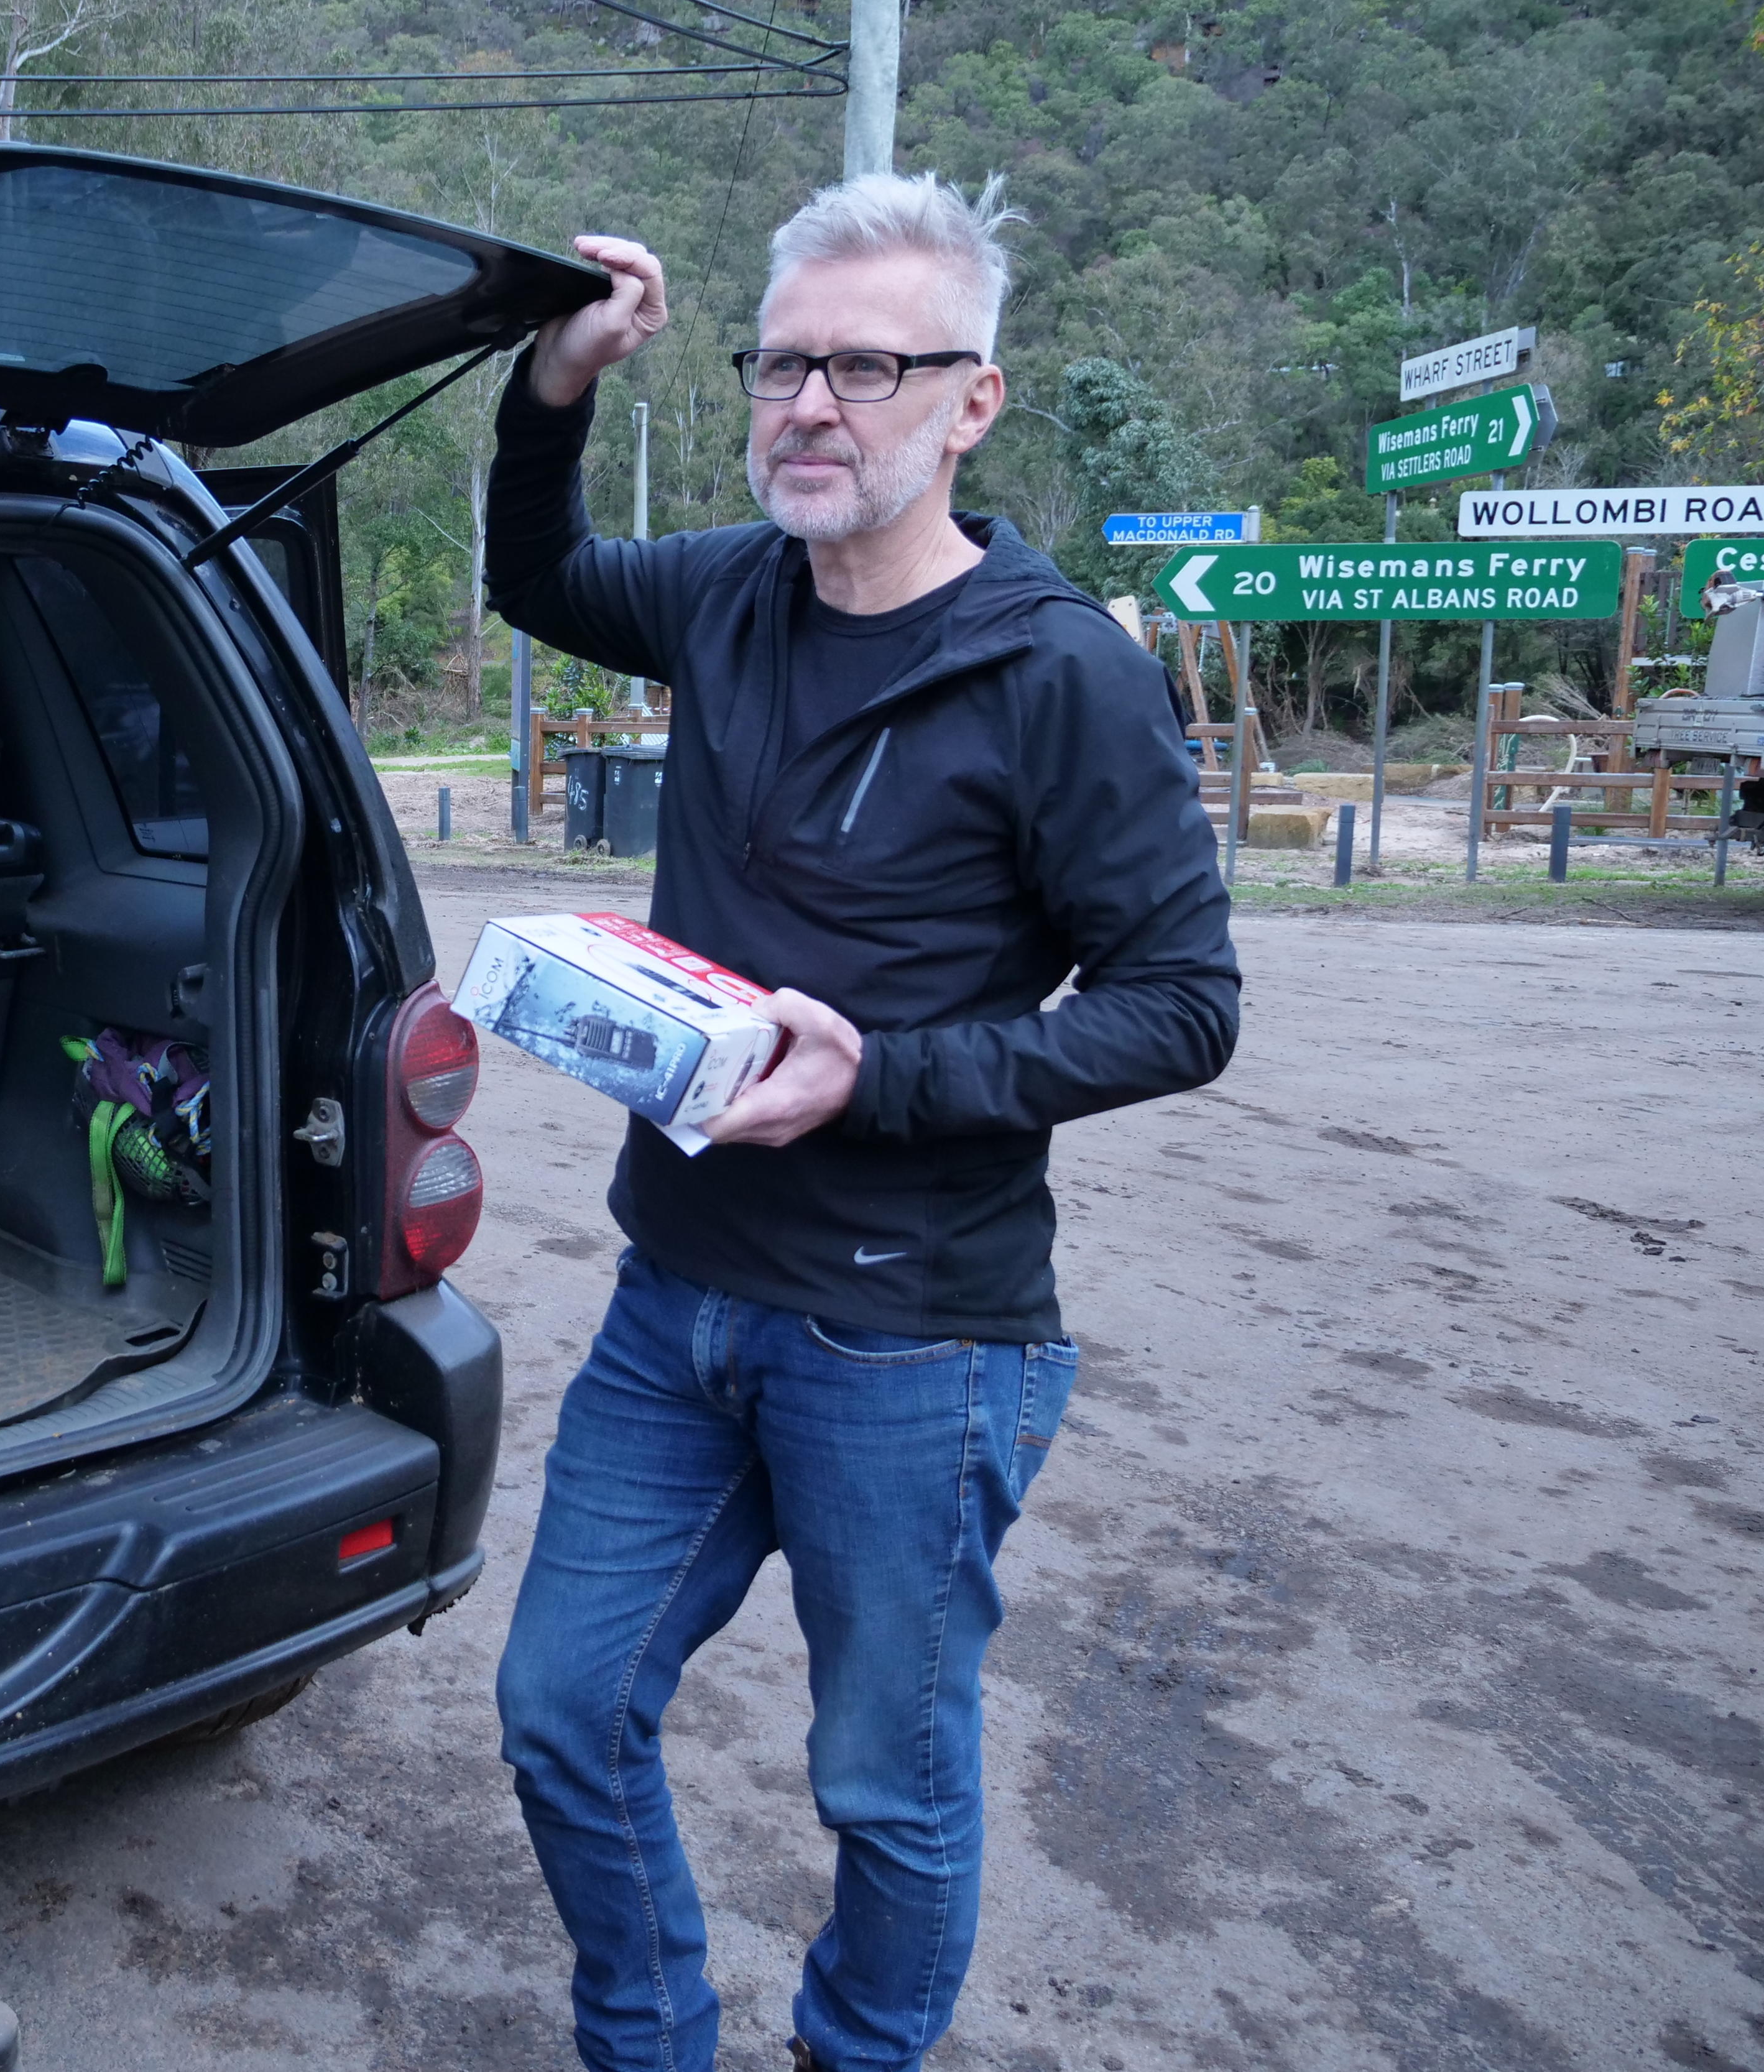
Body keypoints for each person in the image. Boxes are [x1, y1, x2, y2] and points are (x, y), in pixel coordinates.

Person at [485, 172, 1241, 2072]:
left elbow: (1184, 1007)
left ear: (972, 402)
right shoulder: (730, 593)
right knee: (562, 1708)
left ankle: (858, 2057)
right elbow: (537, 577)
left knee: (882, 1789)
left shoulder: (1062, 669)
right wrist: (557, 387)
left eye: (871, 367)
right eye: (786, 363)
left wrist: (881, 1074)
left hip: (915, 1339)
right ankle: (650, 2040)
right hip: (683, 1299)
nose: (812, 405)